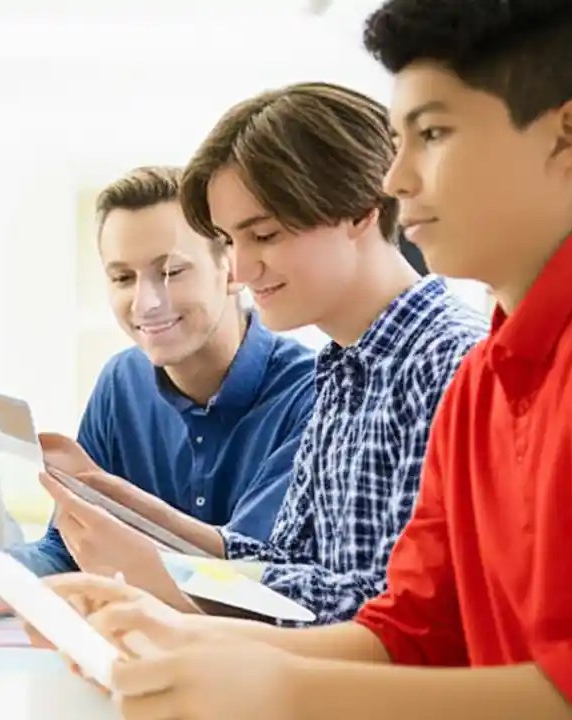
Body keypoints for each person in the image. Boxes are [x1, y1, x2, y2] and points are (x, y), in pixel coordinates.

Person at [34, 1, 572, 718]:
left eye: (435, 134)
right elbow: (407, 628)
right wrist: (188, 639)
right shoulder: (482, 379)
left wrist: (266, 674)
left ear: (565, 136)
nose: (395, 179)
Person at [0, 167, 317, 616]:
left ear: (231, 270)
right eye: (123, 278)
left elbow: (248, 579)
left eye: (170, 272)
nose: (146, 302)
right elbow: (63, 552)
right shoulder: (119, 383)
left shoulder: (313, 393)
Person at [161, 81, 485, 624]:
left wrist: (171, 585)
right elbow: (290, 563)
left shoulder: (449, 363)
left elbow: (397, 614)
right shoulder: (341, 366)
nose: (239, 272)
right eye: (229, 242)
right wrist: (126, 522)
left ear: (361, 210)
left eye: (264, 235)